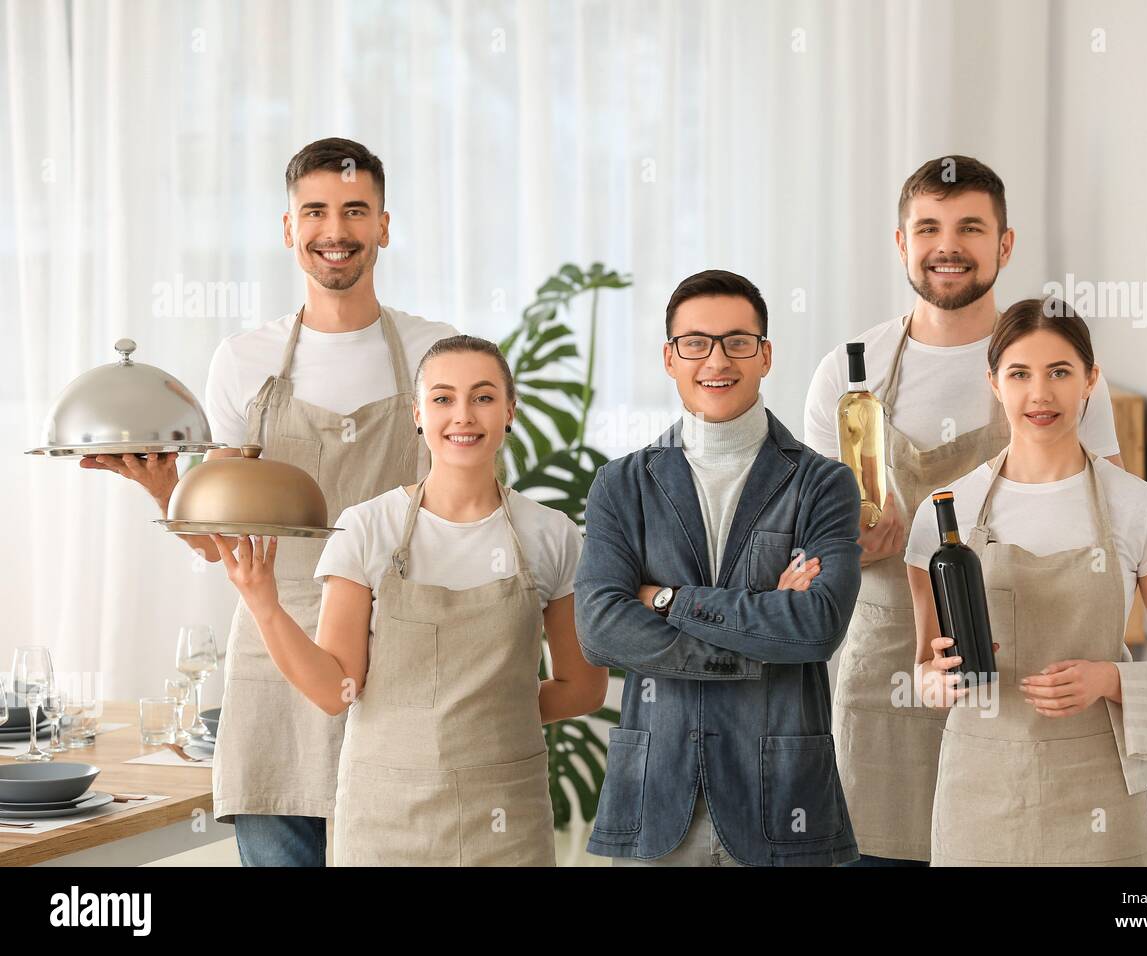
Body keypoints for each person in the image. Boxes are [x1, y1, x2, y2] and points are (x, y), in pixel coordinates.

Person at [81, 138, 457, 865]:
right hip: (276, 653)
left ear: (384, 224)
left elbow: (463, 514)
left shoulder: (434, 352)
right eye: (313, 211)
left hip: (403, 658)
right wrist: (162, 485)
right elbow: (225, 540)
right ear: (289, 229)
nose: (334, 231)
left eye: (355, 210)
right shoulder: (244, 360)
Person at [802, 156, 1123, 865]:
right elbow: (814, 547)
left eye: (970, 227)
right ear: (901, 243)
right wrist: (856, 540)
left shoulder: (1051, 359)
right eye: (929, 228)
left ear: (1004, 246)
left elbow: (1108, 521)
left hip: (1021, 679)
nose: (948, 246)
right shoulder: (848, 372)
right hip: (887, 670)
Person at [211, 335, 607, 865]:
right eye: (442, 399)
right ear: (417, 413)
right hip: (385, 819)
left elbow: (582, 688)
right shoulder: (367, 527)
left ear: (509, 410)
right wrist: (264, 604)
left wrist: (484, 719)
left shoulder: (551, 535)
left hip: (506, 817)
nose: (462, 416)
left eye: (483, 397)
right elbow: (335, 690)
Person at [577, 269, 862, 867]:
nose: (716, 359)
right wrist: (755, 639)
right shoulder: (622, 485)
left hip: (783, 802)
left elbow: (816, 627)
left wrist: (664, 600)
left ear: (764, 356)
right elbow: (600, 628)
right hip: (655, 801)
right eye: (695, 343)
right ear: (669, 358)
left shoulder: (823, 484)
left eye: (737, 342)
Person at [907, 297, 1147, 866]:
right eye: (1019, 374)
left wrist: (1108, 679)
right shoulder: (946, 513)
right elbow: (923, 670)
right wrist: (936, 682)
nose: (1039, 394)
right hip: (980, 797)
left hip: (1098, 794)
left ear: (1090, 380)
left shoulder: (1141, 509)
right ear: (994, 382)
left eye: (1060, 372)